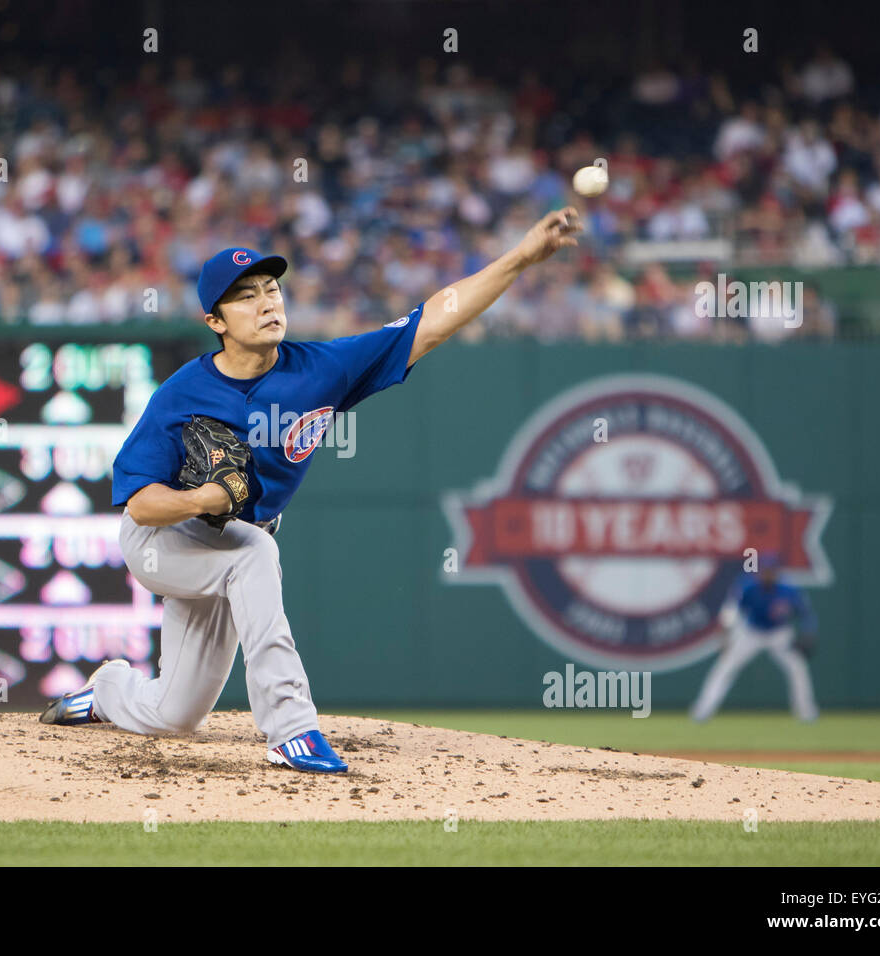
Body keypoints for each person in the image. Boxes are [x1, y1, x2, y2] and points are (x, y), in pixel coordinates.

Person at [40, 209, 583, 772]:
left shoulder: (321, 370)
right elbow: (140, 505)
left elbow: (434, 320)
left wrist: (520, 257)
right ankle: (290, 729)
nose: (268, 302)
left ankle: (106, 692)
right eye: (245, 296)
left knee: (177, 713)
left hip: (230, 542)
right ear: (215, 320)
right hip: (165, 541)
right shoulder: (182, 394)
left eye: (271, 288)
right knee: (255, 556)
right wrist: (203, 499)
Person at [690, 554, 820, 722]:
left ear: (776, 571)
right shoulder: (748, 586)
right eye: (764, 570)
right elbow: (731, 611)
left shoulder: (788, 588)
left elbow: (805, 613)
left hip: (779, 633)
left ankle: (806, 711)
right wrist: (726, 635)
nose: (767, 573)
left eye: (770, 570)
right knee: (725, 667)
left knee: (797, 669)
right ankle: (702, 710)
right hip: (751, 632)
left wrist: (808, 632)